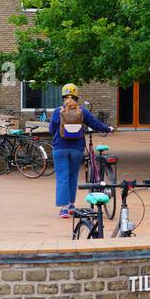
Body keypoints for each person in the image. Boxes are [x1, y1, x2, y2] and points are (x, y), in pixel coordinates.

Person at [49, 83, 113, 218]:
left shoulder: (57, 111)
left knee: (62, 177)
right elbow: (95, 124)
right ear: (77, 96)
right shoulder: (82, 111)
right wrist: (107, 129)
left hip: (60, 148)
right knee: (72, 176)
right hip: (76, 148)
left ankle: (64, 208)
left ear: (63, 96)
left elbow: (51, 130)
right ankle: (71, 204)